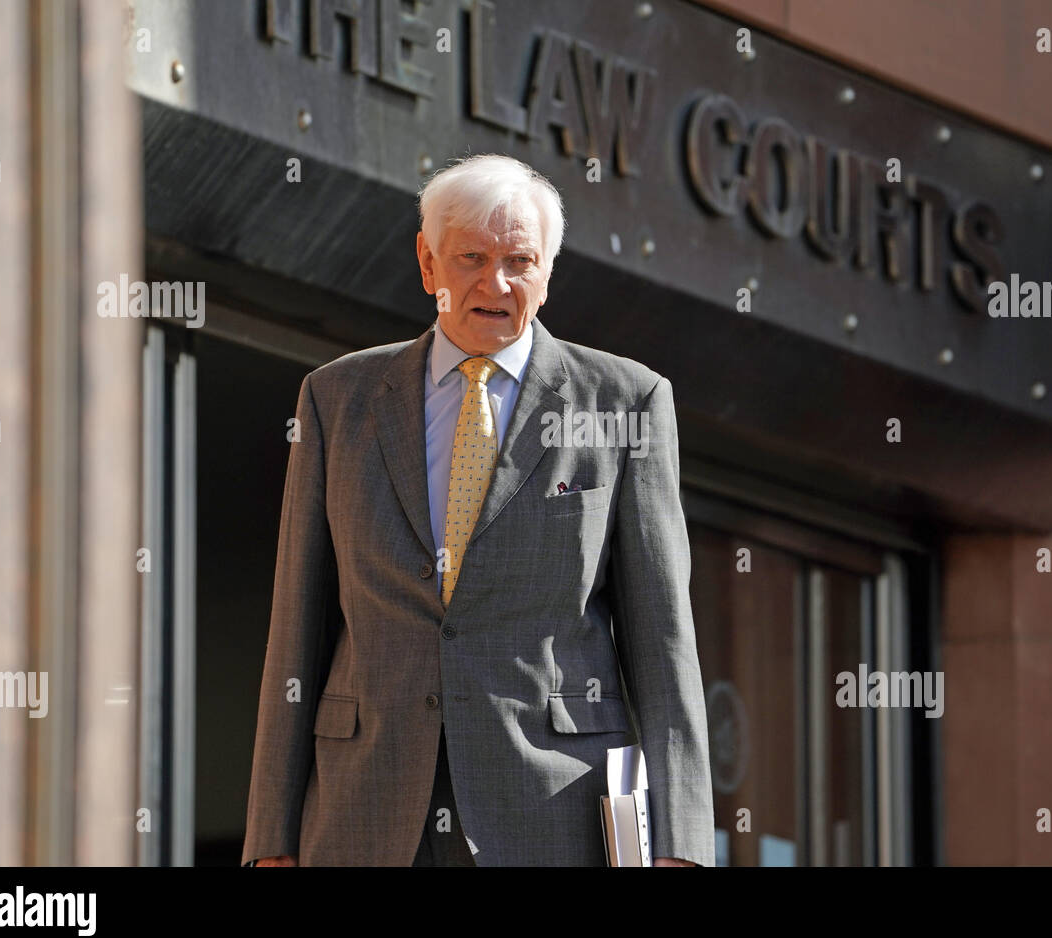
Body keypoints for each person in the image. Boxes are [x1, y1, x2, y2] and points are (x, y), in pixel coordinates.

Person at [242, 153, 713, 867]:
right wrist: (271, 837)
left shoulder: (626, 401)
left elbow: (662, 638)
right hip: (365, 809)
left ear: (548, 273)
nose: (497, 283)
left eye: (520, 260)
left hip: (554, 812)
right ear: (429, 265)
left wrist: (680, 838)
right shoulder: (336, 400)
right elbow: (296, 627)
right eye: (472, 258)